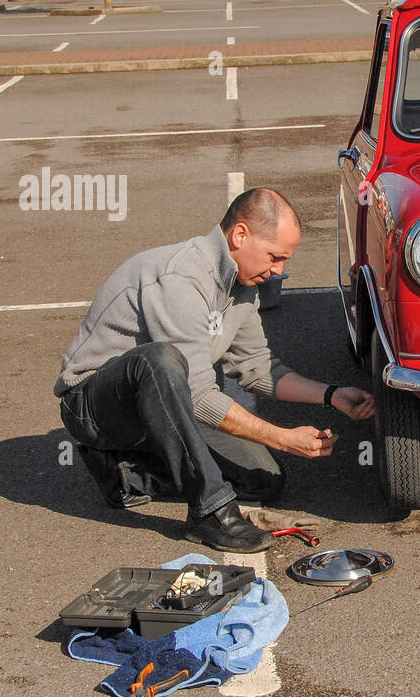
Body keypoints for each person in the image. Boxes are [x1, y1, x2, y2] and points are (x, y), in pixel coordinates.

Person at [54, 187, 374, 552]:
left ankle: (126, 475)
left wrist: (331, 395)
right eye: (274, 256)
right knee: (159, 360)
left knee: (263, 480)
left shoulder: (242, 285)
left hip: (166, 409)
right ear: (240, 235)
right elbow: (198, 396)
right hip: (96, 408)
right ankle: (209, 512)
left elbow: (257, 367)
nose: (278, 271)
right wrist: (282, 437)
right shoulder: (181, 280)